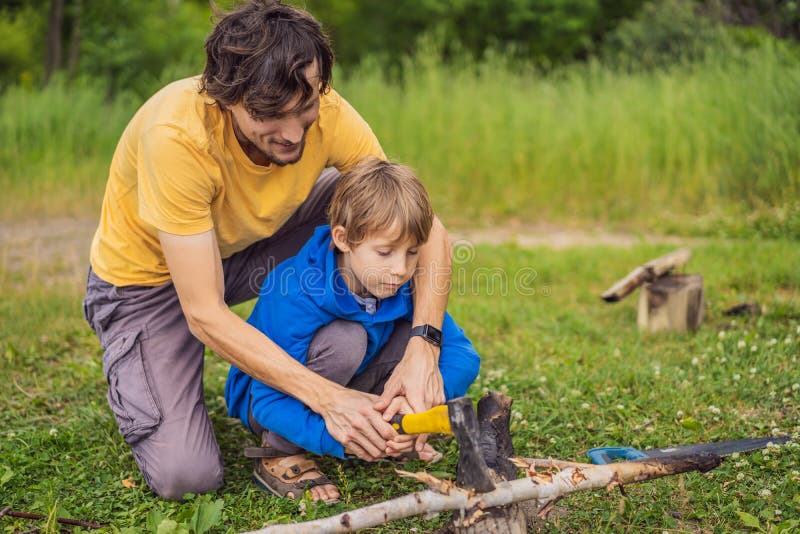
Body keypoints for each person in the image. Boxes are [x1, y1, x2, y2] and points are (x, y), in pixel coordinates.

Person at [82, 0, 453, 500]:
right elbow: (204, 312)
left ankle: (348, 354)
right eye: (269, 116)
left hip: (249, 249)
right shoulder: (176, 137)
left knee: (378, 209)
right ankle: (163, 374)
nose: (293, 133)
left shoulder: (329, 111)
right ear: (223, 95)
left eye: (305, 110)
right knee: (187, 477)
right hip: (150, 287)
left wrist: (424, 346)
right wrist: (329, 400)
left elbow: (424, 228)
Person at [226, 158, 480, 502]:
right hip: (271, 399)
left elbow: (463, 356)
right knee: (346, 340)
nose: (401, 269)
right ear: (344, 239)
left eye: (412, 253)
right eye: (385, 252)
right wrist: (340, 439)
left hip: (352, 378)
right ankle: (278, 452)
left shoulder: (400, 283)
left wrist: (411, 406)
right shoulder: (296, 291)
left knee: (413, 339)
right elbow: (267, 400)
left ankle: (387, 431)